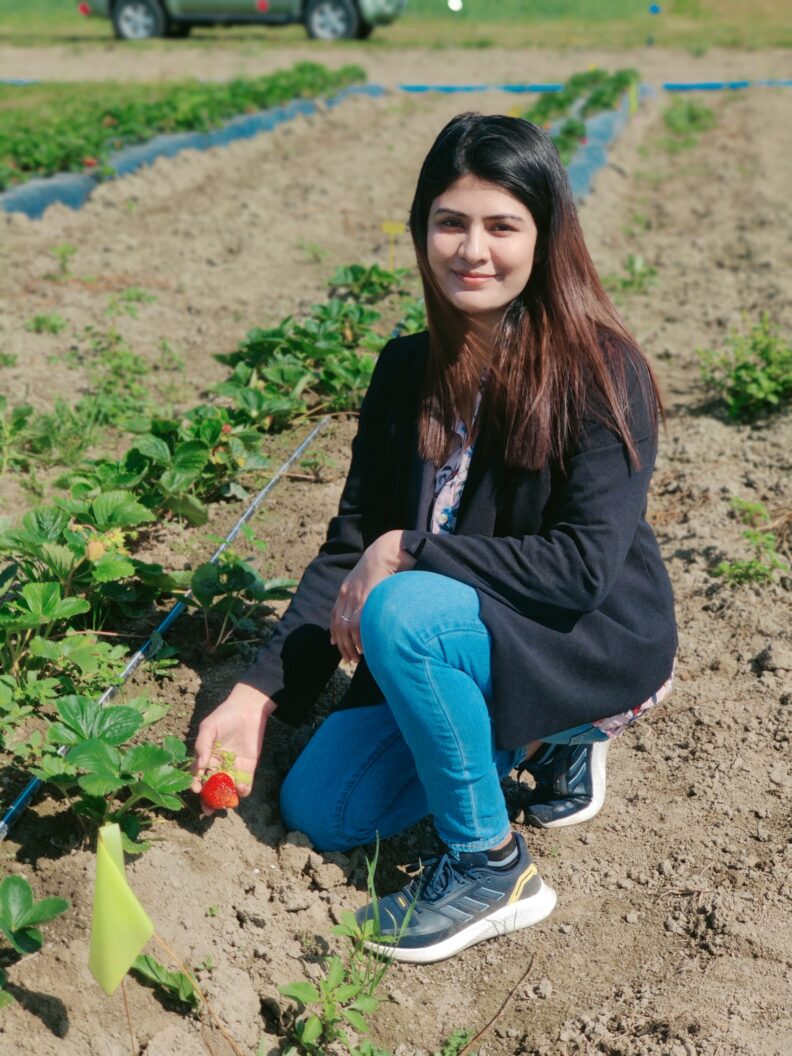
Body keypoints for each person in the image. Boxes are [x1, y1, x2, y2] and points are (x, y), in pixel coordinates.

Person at [191, 112, 677, 964]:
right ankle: (532, 738)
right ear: (421, 231)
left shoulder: (603, 372)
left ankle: (492, 864)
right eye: (451, 223)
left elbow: (581, 570)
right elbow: (349, 545)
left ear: (545, 236)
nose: (473, 250)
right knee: (326, 809)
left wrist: (409, 549)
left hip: (582, 638)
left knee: (406, 609)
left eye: (502, 226)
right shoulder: (403, 371)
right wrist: (258, 693)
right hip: (469, 634)